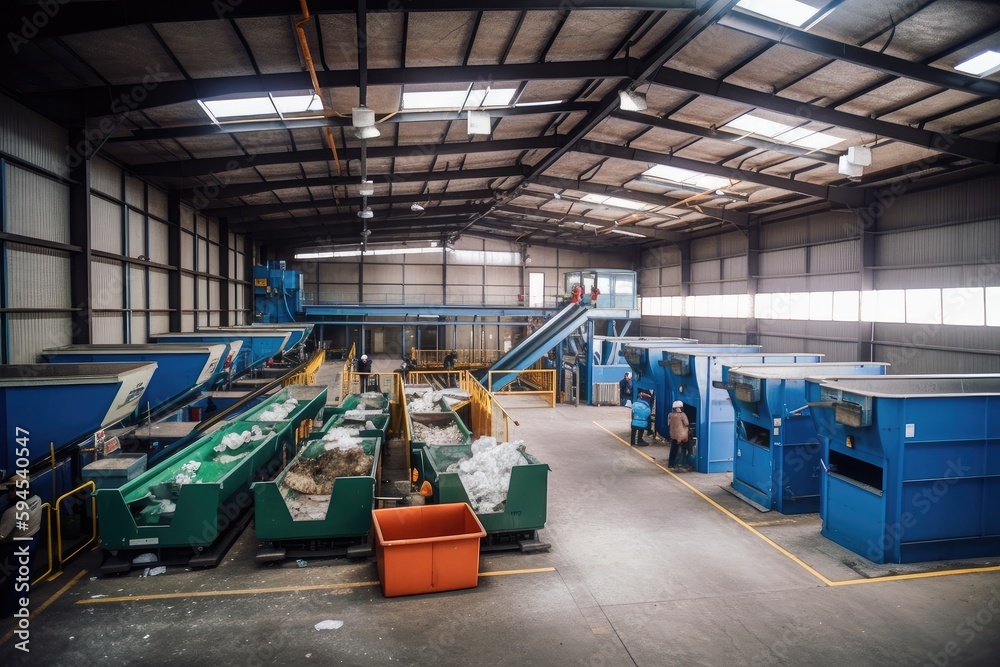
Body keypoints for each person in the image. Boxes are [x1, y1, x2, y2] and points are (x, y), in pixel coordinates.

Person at [0, 474, 43, 618]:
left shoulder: (12, 512)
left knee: (8, 580)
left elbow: (2, 536)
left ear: (15, 491)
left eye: (9, 490)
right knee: (25, 575)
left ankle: (5, 610)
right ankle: (20, 604)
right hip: (33, 541)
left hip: (15, 547)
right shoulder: (36, 499)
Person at [668, 400, 691, 469]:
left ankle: (671, 464)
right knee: (687, 448)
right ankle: (687, 462)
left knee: (673, 450)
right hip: (682, 436)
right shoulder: (682, 415)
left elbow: (668, 424)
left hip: (673, 435)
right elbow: (686, 423)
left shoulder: (670, 415)